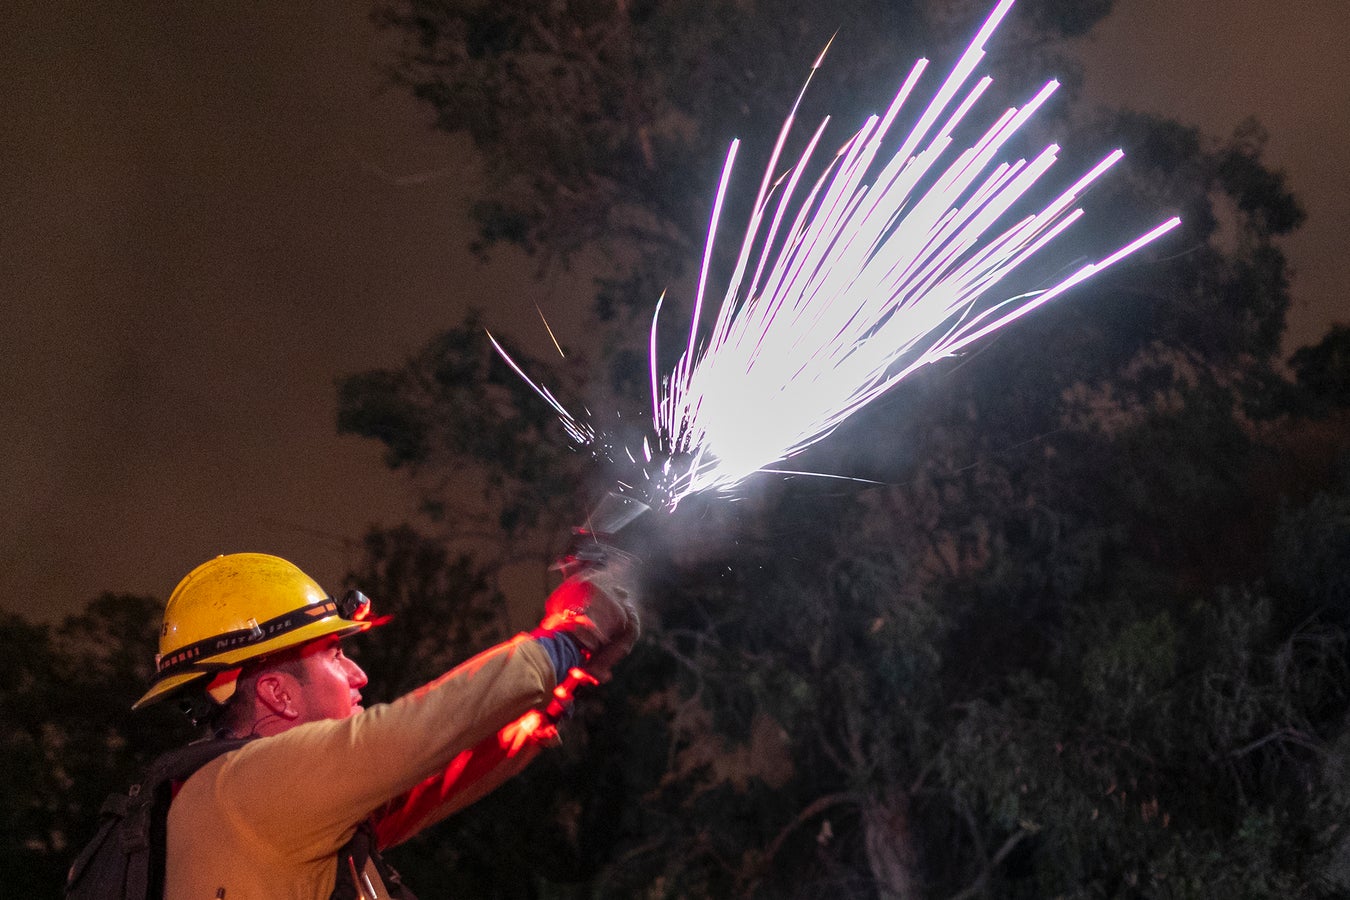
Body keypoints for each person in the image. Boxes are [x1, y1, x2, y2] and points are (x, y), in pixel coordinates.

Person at [131, 551, 638, 899]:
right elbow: (413, 732)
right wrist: (573, 635)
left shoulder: (277, 814)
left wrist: (557, 692)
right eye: (334, 655)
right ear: (277, 693)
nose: (359, 674)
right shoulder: (242, 790)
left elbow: (436, 776)